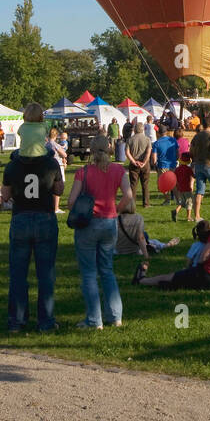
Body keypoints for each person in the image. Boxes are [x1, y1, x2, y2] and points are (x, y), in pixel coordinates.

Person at [68, 134, 133, 329]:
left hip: (88, 223)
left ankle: (94, 319)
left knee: (89, 273)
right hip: (109, 222)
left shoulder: (84, 172)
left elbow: (71, 202)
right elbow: (129, 195)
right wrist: (117, 209)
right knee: (107, 270)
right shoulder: (118, 170)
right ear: (110, 148)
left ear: (91, 150)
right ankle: (115, 316)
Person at [1, 134, 64, 332]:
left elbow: (5, 195)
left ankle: (16, 321)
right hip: (44, 216)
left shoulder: (12, 165)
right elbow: (60, 190)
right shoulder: (51, 163)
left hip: (21, 216)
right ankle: (45, 321)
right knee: (45, 274)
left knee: (18, 274)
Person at [126, 121, 152, 208]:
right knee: (145, 184)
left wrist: (133, 161)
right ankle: (146, 203)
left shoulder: (130, 139)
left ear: (135, 130)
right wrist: (144, 162)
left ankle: (132, 204)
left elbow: (127, 152)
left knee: (133, 185)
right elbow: (148, 153)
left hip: (134, 164)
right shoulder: (147, 139)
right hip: (145, 164)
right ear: (143, 130)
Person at [153, 126, 179, 205]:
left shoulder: (156, 143)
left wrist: (155, 166)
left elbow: (154, 159)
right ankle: (179, 200)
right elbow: (178, 153)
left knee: (162, 184)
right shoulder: (173, 140)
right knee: (174, 183)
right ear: (166, 131)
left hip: (162, 165)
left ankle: (167, 200)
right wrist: (175, 159)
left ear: (158, 133)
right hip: (172, 164)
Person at [172, 154, 195, 221]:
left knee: (182, 202)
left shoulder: (177, 169)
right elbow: (193, 176)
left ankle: (176, 211)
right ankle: (188, 217)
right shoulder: (189, 169)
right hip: (187, 188)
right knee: (189, 202)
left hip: (180, 188)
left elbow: (174, 178)